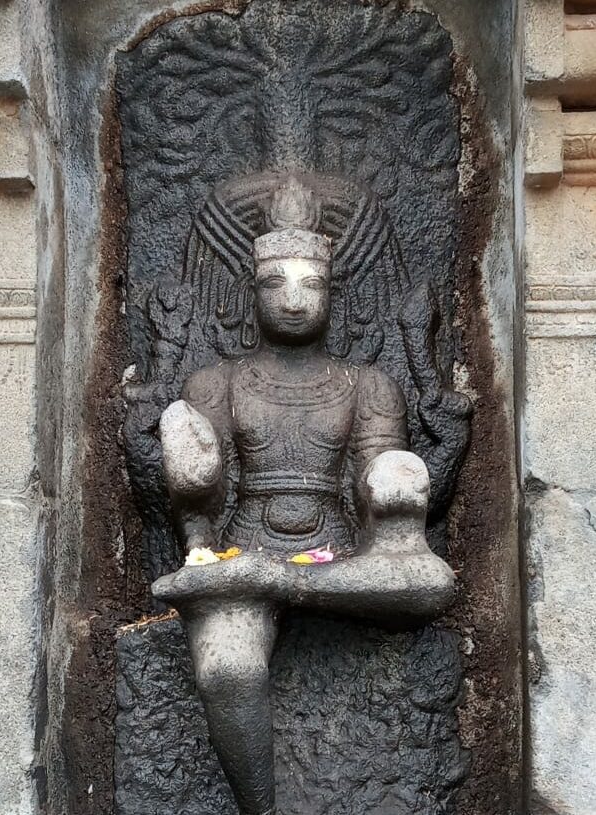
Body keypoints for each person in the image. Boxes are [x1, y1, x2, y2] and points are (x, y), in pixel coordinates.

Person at [153, 176, 455, 815]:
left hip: (342, 551)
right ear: (250, 291)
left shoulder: (369, 385)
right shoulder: (217, 382)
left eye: (311, 285)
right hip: (242, 550)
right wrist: (195, 503)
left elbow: (380, 496)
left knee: (427, 581)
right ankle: (259, 808)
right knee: (228, 660)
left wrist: (396, 486)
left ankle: (285, 584)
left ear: (333, 295)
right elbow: (202, 514)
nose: (294, 300)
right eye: (275, 284)